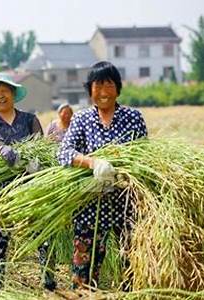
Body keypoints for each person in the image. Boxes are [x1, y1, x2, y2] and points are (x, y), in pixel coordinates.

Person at [57, 61, 148, 290]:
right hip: (90, 205)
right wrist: (92, 162)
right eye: (97, 86)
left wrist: (124, 172)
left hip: (125, 204)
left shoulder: (133, 118)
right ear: (90, 91)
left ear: (117, 88)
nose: (103, 91)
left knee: (133, 263)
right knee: (83, 270)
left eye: (108, 85)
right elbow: (64, 153)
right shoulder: (81, 119)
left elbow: (145, 156)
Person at [0, 73, 56, 293]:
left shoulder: (30, 120)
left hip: (29, 187)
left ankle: (48, 281)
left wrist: (32, 163)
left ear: (13, 94)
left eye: (4, 91)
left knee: (42, 232)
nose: (0, 96)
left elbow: (44, 152)